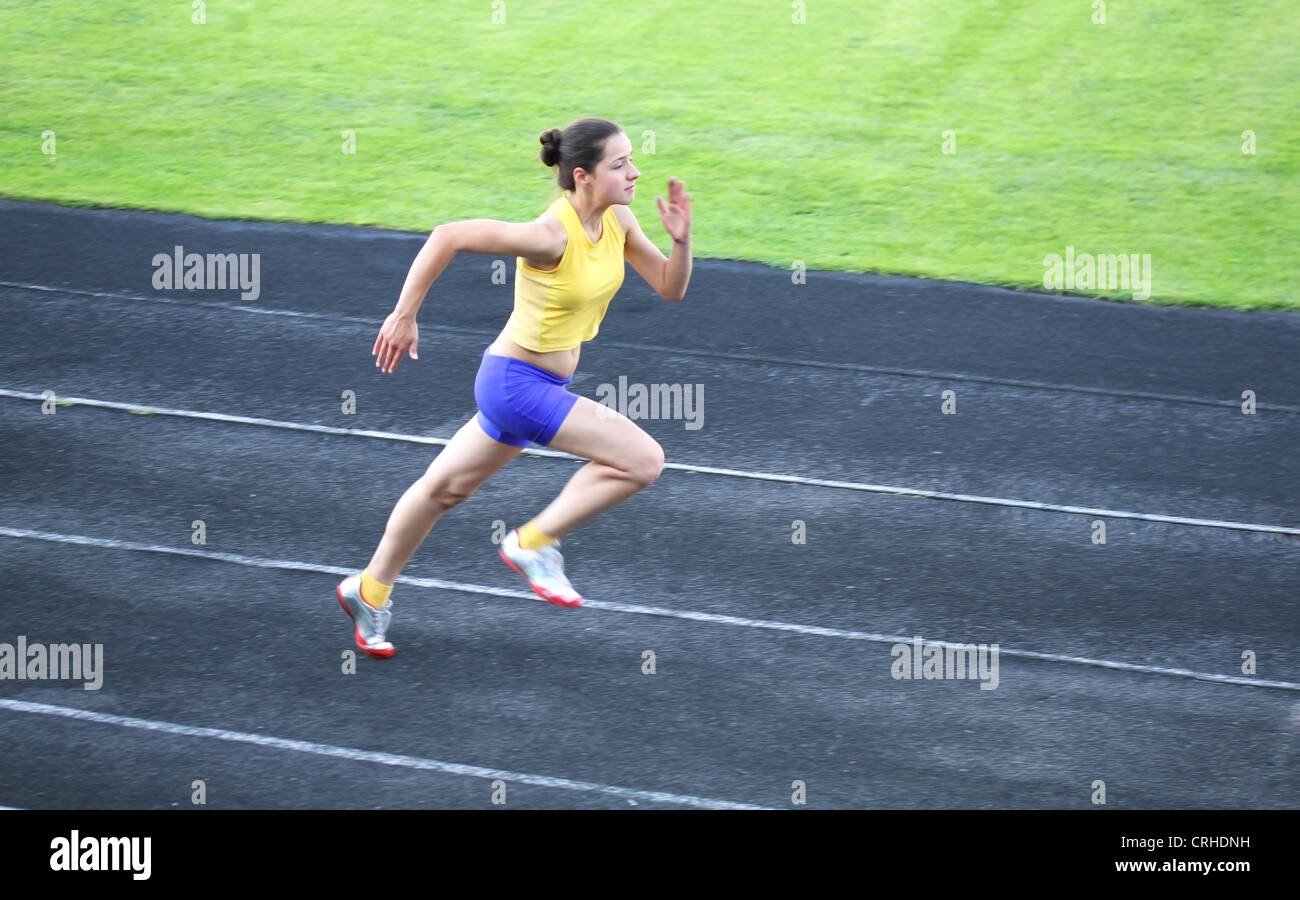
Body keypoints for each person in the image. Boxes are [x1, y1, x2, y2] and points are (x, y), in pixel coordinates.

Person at [336, 117, 693, 657]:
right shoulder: (549, 235)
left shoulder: (618, 219)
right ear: (584, 176)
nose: (635, 172)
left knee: (444, 490)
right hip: (517, 385)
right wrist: (404, 315)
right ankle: (533, 543)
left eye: (631, 161)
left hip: (534, 386)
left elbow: (670, 287)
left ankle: (369, 590)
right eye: (620, 164)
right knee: (642, 460)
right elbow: (448, 236)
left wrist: (682, 241)